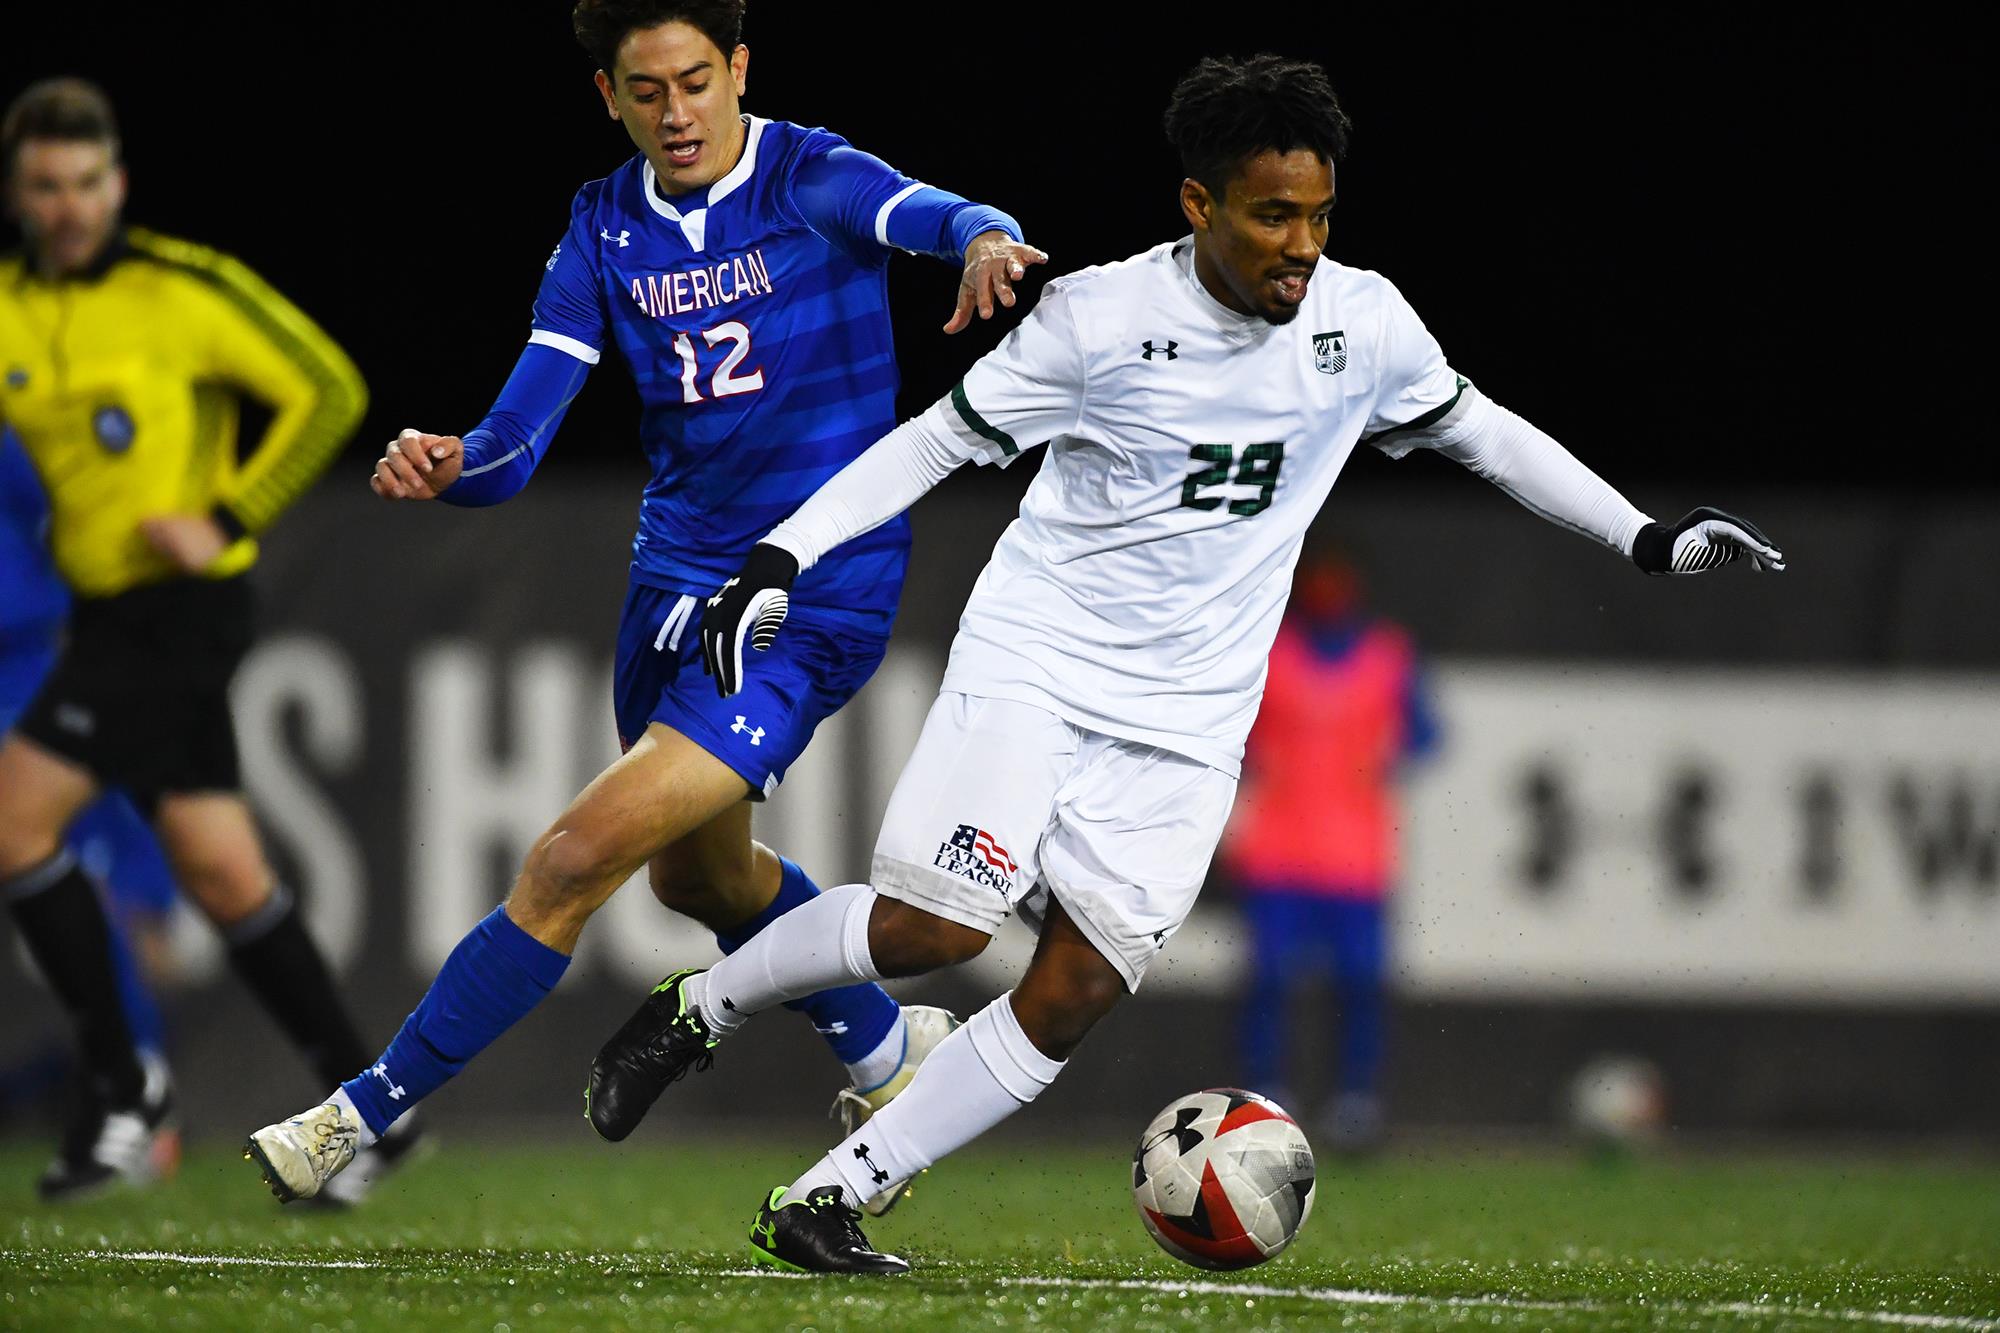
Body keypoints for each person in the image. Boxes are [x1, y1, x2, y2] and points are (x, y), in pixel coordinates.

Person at [595, 52, 1786, 1274]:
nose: (1300, 245)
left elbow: (1481, 433)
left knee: (1070, 993)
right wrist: (782, 553)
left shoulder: (1361, 324)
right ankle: (701, 1010)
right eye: (1272, 214)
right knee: (930, 933)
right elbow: (929, 447)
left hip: (1192, 715)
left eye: (1318, 215)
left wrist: (1643, 534)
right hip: (1041, 661)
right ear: (1197, 205)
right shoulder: (1097, 321)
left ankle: (834, 1194)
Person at [245, 0, 1045, 1212]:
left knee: (570, 857)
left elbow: (928, 214)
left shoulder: (809, 174)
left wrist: (985, 234)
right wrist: (456, 465)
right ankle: (889, 1054)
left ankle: (349, 1118)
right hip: (669, 593)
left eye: (693, 81)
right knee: (701, 886)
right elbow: (518, 444)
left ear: (736, 70)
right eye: (645, 90)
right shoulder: (601, 230)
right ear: (608, 98)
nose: (675, 112)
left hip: (803, 595)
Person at [0, 77, 397, 1201]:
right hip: (105, 614)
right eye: (47, 186)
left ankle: (127, 1088)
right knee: (226, 874)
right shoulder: (10, 308)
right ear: (19, 195)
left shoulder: (182, 289)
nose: (71, 204)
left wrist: (226, 515)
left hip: (181, 609)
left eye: (87, 182)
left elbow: (329, 388)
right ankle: (364, 1105)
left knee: (14, 821)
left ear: (115, 182)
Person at [0, 423, 179, 1163]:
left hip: (24, 662)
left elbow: (72, 515)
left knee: (81, 872)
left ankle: (131, 1091)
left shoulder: (21, 415)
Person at [1224, 548, 1438, 1152]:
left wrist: (1387, 752)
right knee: (1267, 981)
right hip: (1278, 848)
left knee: (1361, 984)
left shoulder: (1386, 656)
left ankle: (1355, 1103)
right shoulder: (1271, 651)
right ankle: (1265, 1095)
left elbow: (1425, 732)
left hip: (1355, 856)